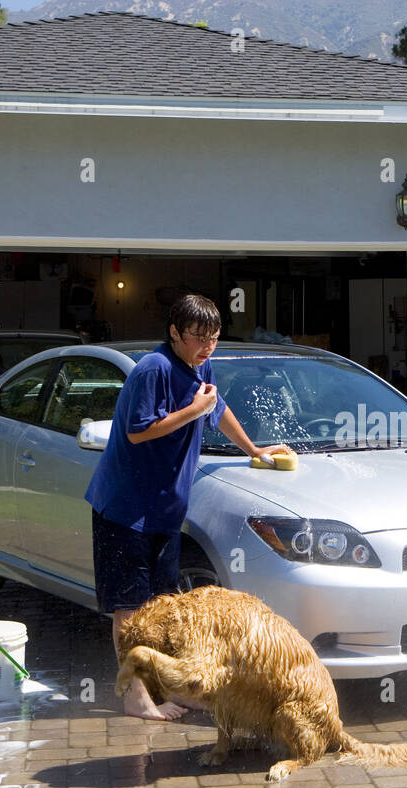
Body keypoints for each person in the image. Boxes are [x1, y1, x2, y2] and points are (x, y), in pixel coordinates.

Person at [85, 293, 292, 721]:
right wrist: (193, 408)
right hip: (125, 509)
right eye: (199, 337)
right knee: (131, 610)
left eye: (214, 338)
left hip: (165, 510)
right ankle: (134, 696)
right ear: (175, 333)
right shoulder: (153, 370)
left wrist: (255, 449)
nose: (207, 346)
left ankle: (165, 690)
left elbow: (217, 409)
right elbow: (140, 432)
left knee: (161, 609)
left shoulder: (200, 366)